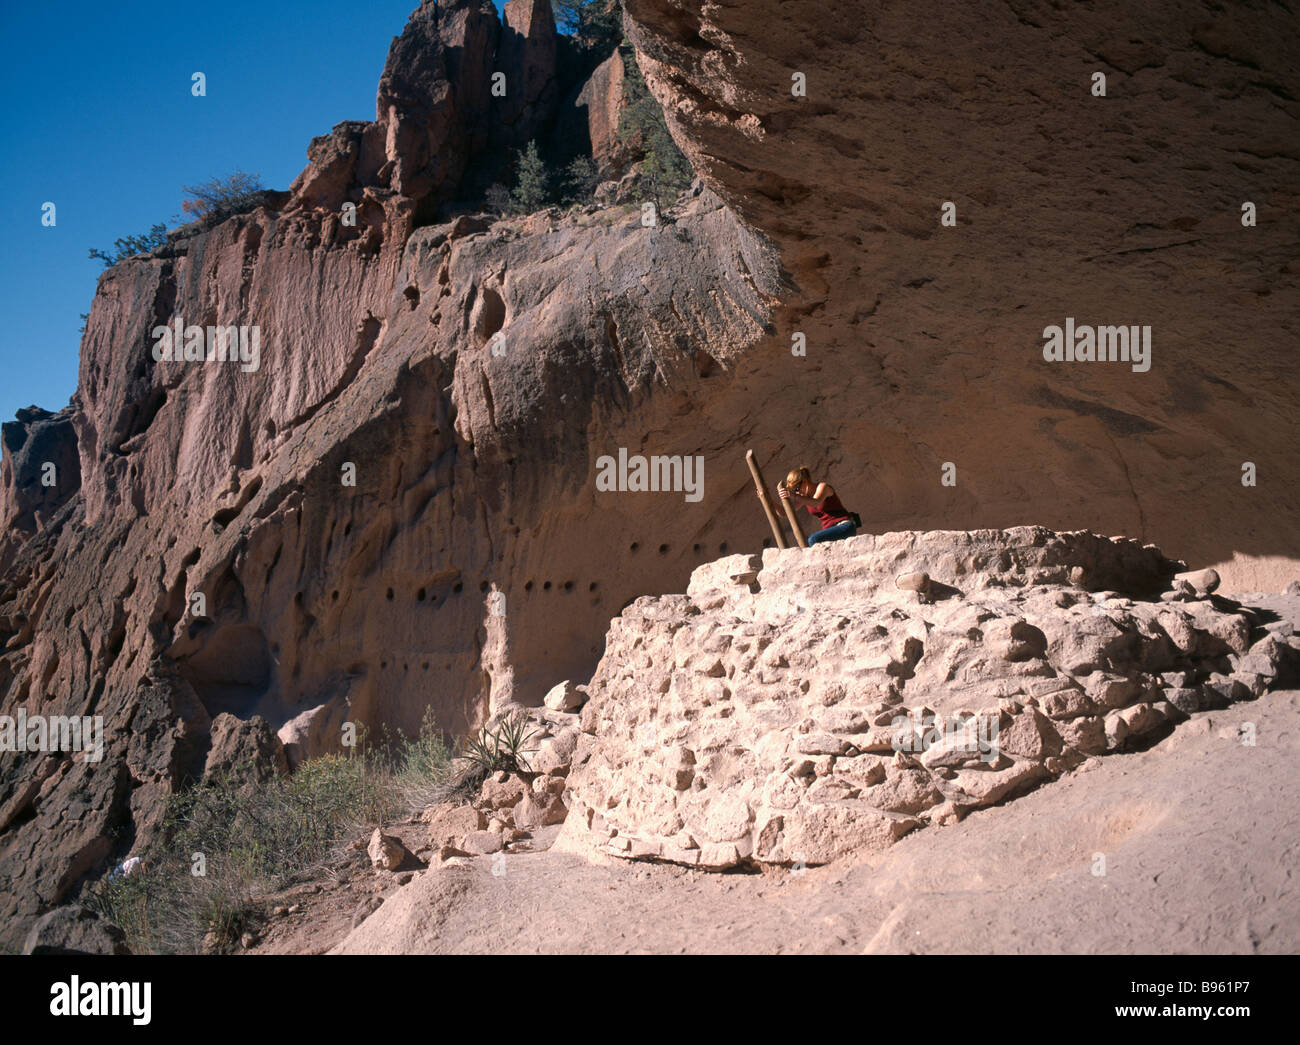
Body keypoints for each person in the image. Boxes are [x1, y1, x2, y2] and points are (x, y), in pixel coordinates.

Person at [777, 466, 858, 546]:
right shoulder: (803, 496)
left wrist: (794, 496)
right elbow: (785, 513)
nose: (797, 493)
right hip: (830, 530)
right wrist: (772, 503)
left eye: (797, 489)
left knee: (813, 539)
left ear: (804, 482)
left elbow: (816, 502)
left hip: (844, 526)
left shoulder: (823, 487)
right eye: (794, 491)